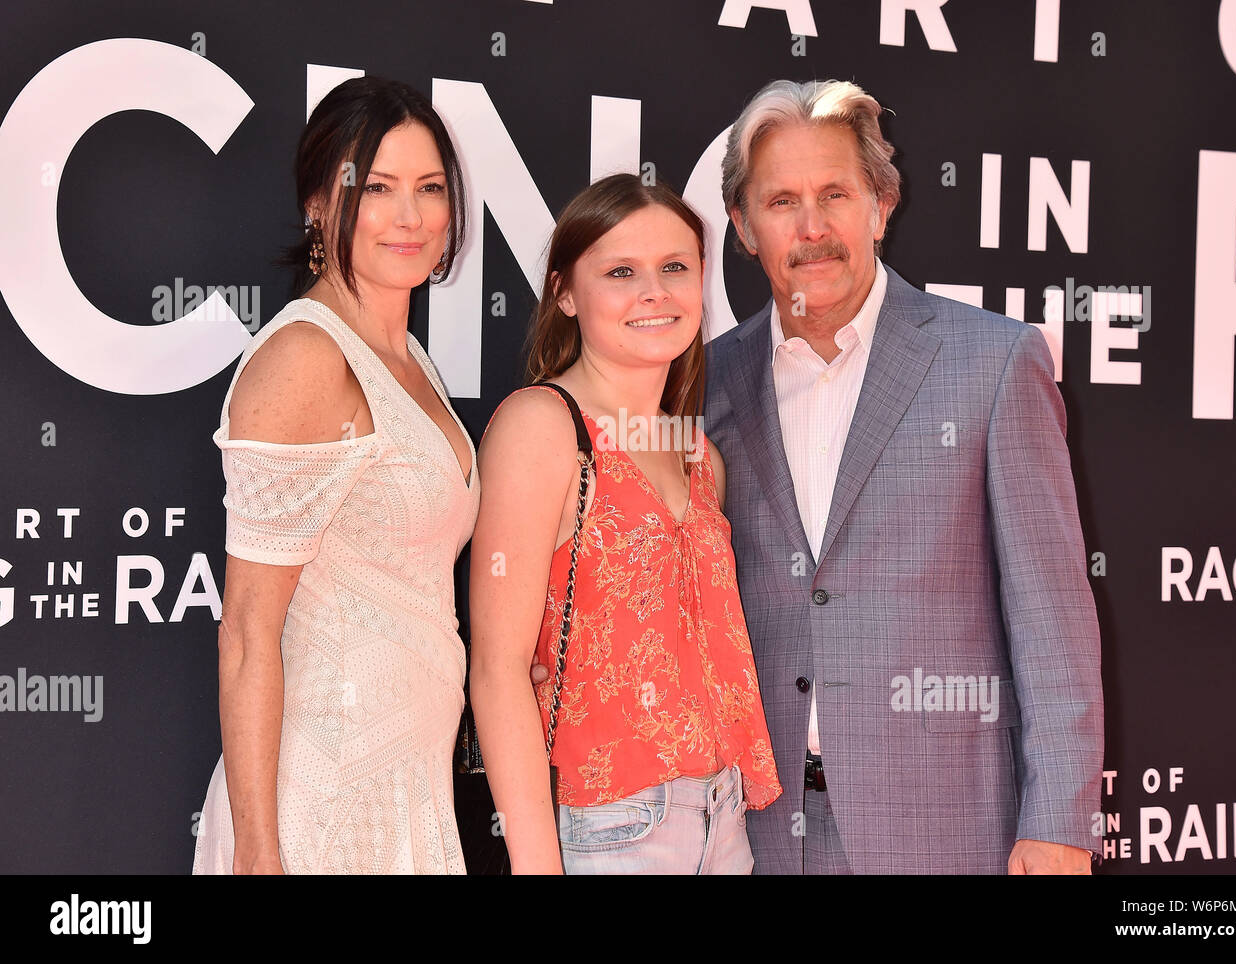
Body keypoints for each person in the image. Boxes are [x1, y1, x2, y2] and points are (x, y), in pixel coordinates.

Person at [703, 79, 1104, 874]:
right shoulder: (704, 384)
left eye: (835, 194)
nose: (812, 227)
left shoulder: (993, 362)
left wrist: (1059, 819)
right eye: (781, 201)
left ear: (881, 205)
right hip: (757, 832)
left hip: (945, 831)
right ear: (745, 227)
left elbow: (1054, 620)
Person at [193, 77, 476, 874]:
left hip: (404, 787)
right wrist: (257, 852)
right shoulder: (305, 359)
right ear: (320, 202)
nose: (410, 217)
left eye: (429, 188)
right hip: (319, 801)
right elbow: (248, 631)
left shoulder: (410, 359)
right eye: (377, 188)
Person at [469, 173, 782, 874]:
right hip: (606, 825)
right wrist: (536, 864)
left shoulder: (698, 453)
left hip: (724, 818)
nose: (654, 292)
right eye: (620, 271)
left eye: (675, 267)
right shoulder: (540, 427)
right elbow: (497, 669)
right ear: (566, 293)